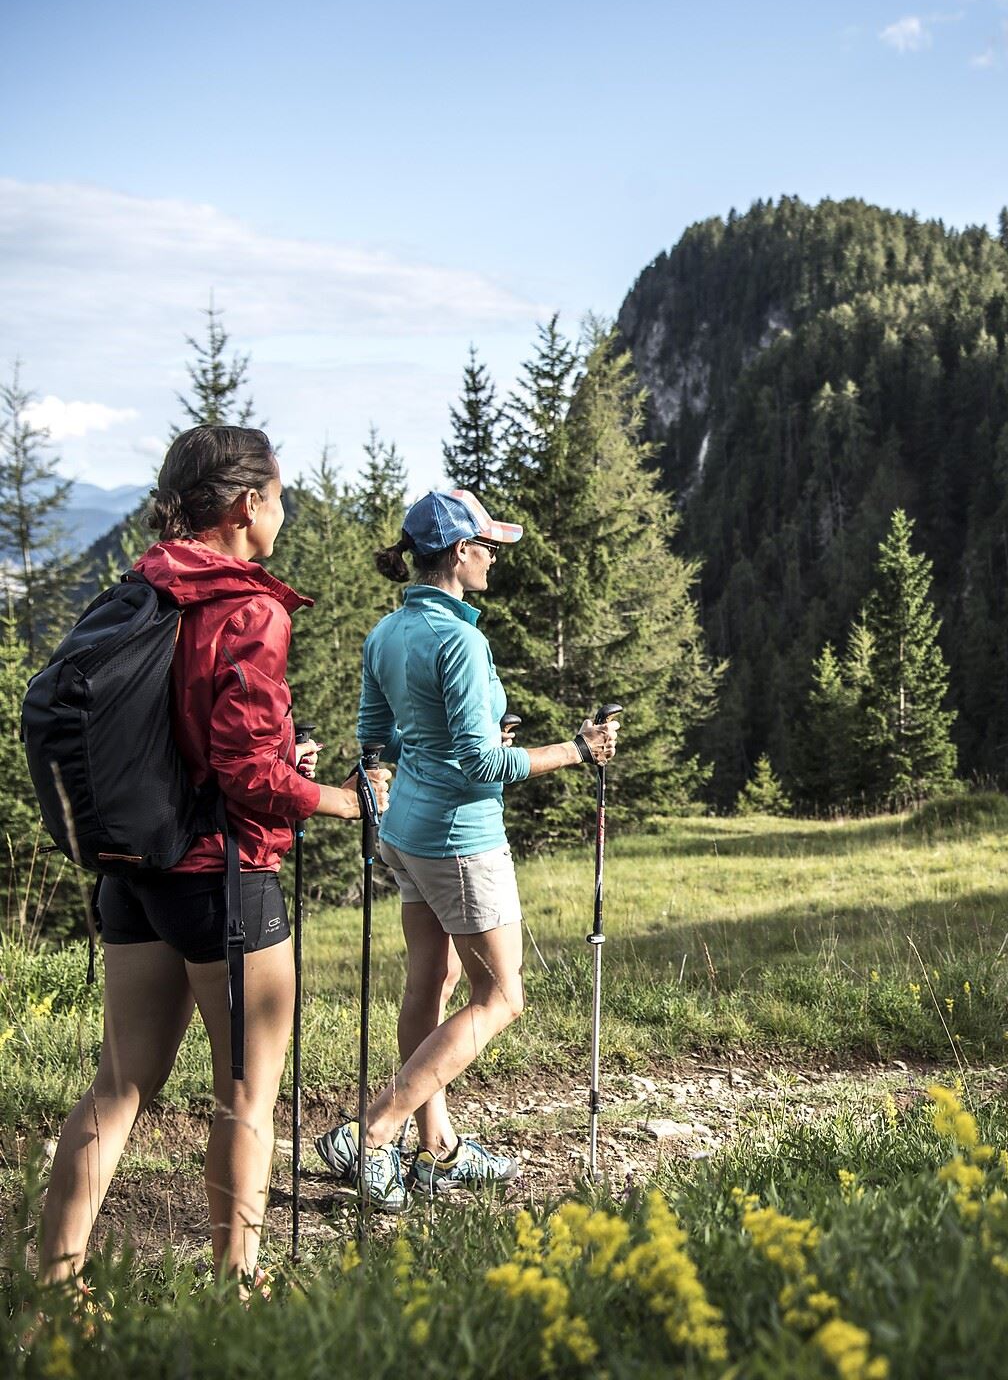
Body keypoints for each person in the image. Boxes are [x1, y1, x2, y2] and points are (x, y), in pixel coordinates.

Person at [37, 426, 384, 1287]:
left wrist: (270, 757)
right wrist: (341, 798)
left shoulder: (144, 584)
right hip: (221, 882)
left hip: (132, 873)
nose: (283, 509)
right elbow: (245, 770)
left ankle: (50, 1288)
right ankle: (237, 1289)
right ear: (244, 505)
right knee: (246, 1098)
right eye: (277, 495)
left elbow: (193, 738)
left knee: (119, 1086)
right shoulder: (248, 608)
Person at [314, 489, 618, 1211]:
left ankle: (438, 1148)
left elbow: (377, 741)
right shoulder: (461, 640)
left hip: (406, 835)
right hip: (460, 839)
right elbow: (483, 766)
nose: (492, 559)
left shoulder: (388, 632)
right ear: (459, 553)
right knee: (503, 997)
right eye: (488, 547)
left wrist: (432, 757)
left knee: (432, 983)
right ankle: (374, 1132)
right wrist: (577, 750)